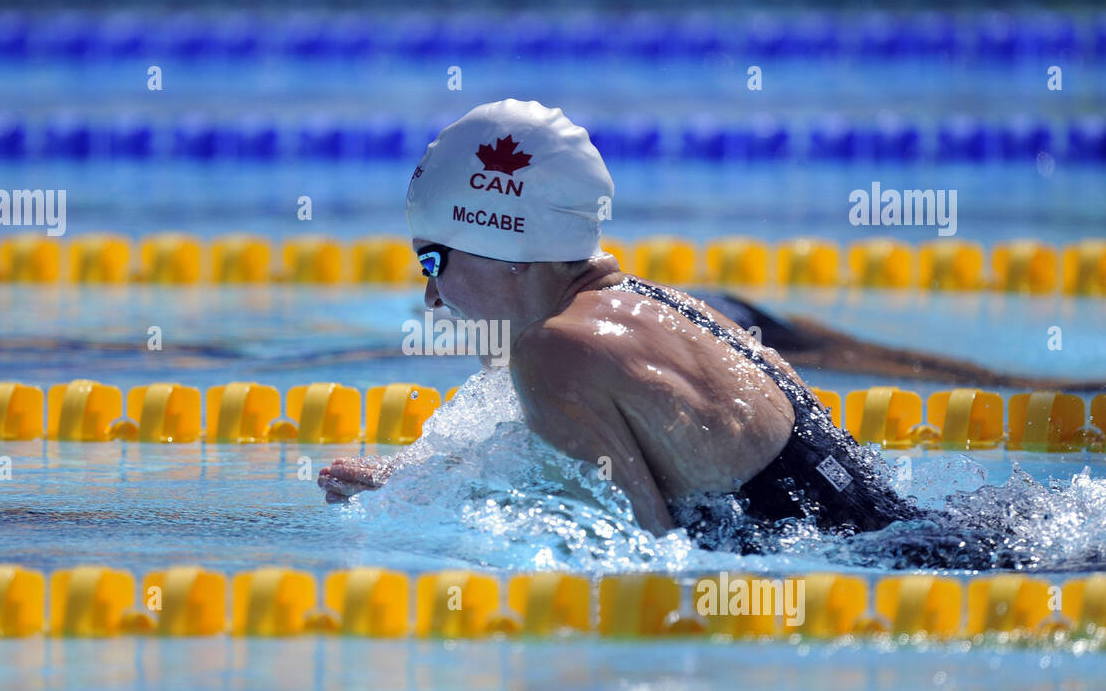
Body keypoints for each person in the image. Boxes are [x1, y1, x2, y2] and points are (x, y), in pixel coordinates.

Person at [317, 99, 945, 537]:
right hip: (932, 548)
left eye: (432, 260)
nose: (430, 296)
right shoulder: (658, 306)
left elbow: (632, 557)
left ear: (505, 251)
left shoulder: (556, 351)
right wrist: (407, 482)